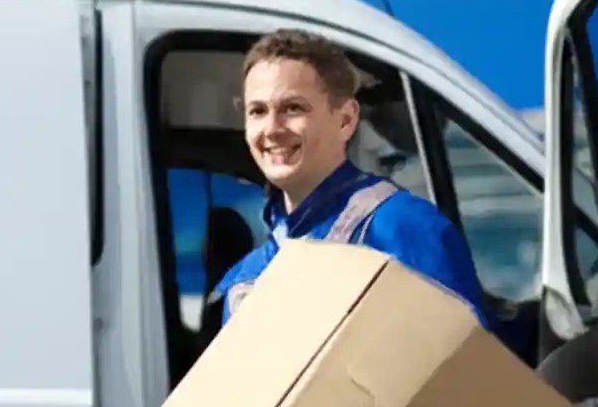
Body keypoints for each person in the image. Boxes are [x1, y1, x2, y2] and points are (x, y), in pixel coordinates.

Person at [211, 28, 493, 329]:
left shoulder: (402, 231)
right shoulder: (245, 284)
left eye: (293, 108)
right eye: (257, 111)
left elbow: (461, 364)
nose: (272, 129)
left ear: (345, 120)